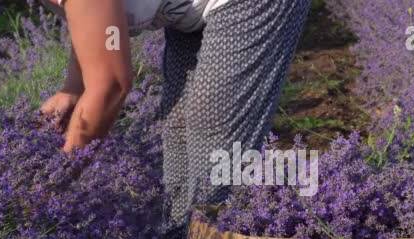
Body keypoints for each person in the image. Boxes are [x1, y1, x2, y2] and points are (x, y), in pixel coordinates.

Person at [40, 0, 311, 226]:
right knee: (178, 126)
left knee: (214, 127)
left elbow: (111, 85)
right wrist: (73, 88)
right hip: (189, 10)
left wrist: (57, 182)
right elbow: (93, 20)